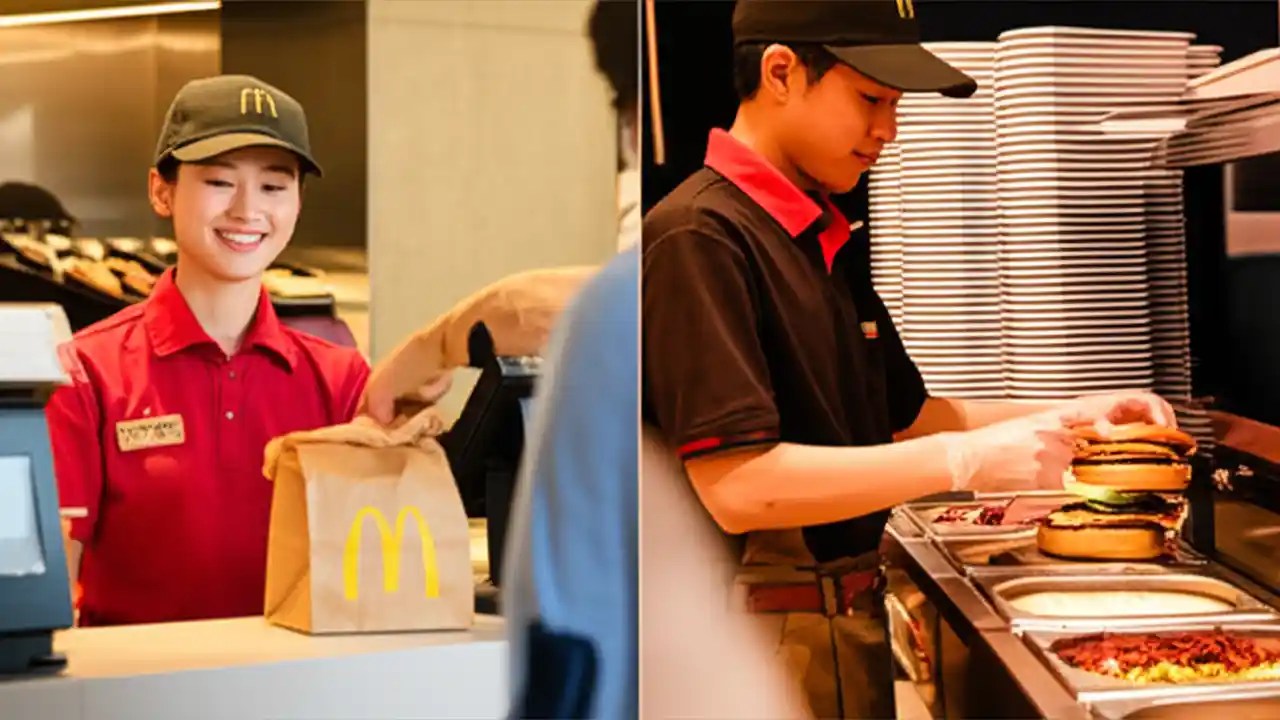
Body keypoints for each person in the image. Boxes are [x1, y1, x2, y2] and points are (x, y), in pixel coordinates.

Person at [641, 1, 1177, 717]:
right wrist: (968, 461)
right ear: (780, 72)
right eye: (870, 99)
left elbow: (907, 418)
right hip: (761, 640)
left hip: (844, 620)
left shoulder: (818, 231)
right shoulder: (700, 234)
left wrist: (1072, 415)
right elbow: (740, 488)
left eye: (893, 105)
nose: (887, 131)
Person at [46, 75, 369, 627]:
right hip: (132, 699)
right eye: (220, 181)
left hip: (303, 691)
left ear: (296, 204)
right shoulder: (84, 373)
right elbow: (51, 583)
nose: (248, 210)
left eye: (273, 187)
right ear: (161, 190)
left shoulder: (340, 378)